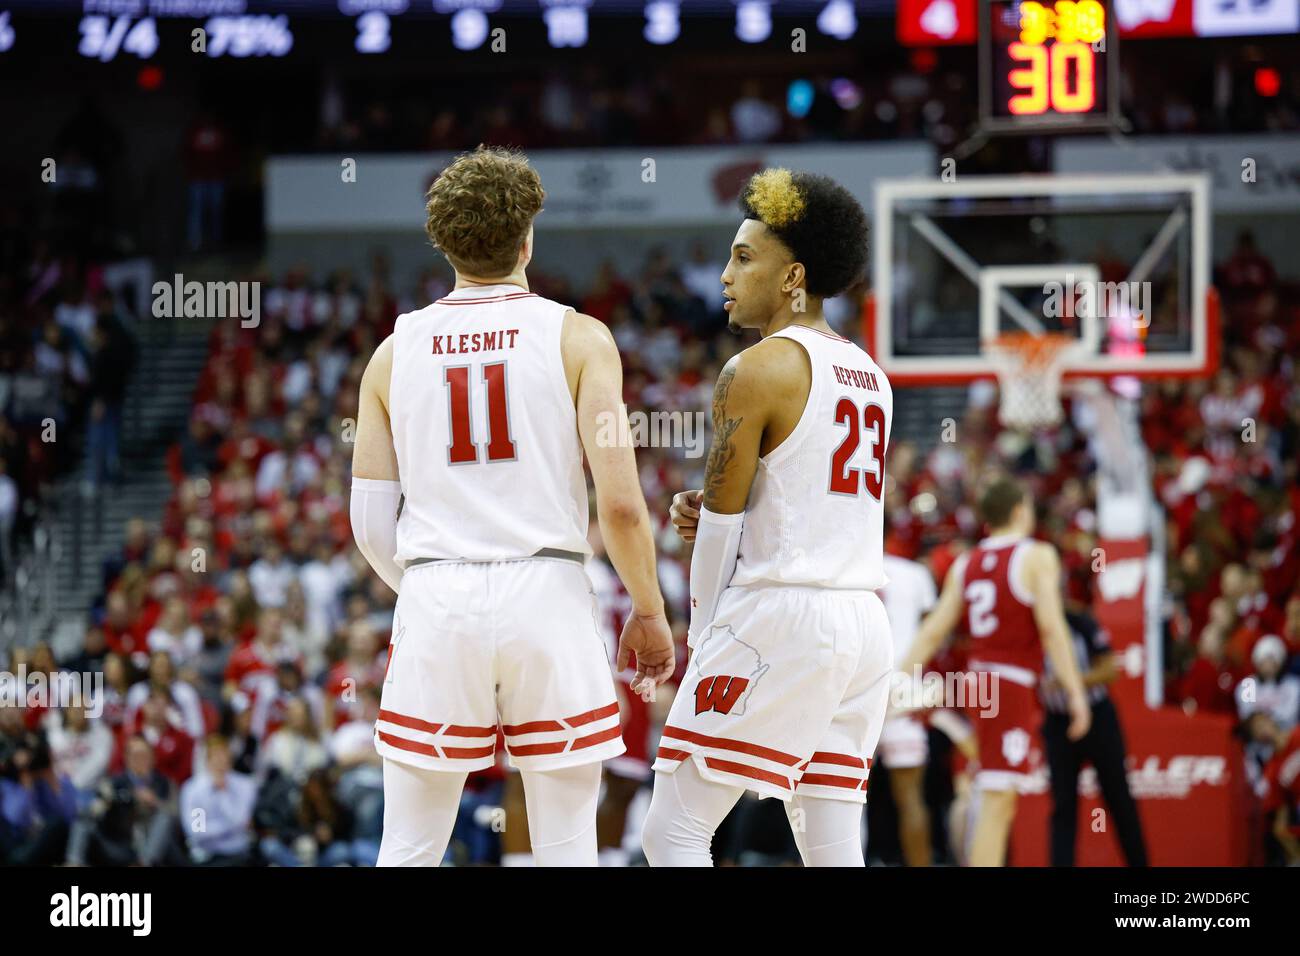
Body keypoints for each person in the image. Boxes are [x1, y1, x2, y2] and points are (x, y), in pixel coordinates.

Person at [349, 146, 674, 867]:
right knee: (565, 846)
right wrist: (648, 611)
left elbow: (371, 526)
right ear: (527, 238)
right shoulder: (582, 338)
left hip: (436, 590)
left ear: (443, 243)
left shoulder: (391, 353)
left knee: (406, 847)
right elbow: (619, 506)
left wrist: (438, 588)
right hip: (548, 591)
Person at [646, 168, 891, 867]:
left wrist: (701, 634)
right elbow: (811, 501)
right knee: (833, 850)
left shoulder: (754, 368)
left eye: (743, 256)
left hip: (779, 618)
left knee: (674, 833)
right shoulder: (870, 372)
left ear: (794, 278)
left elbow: (720, 536)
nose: (725, 274)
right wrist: (738, 516)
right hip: (862, 623)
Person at [898, 478, 1091, 866]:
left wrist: (897, 677)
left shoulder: (966, 562)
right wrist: (1077, 695)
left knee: (993, 796)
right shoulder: (1037, 556)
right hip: (1008, 684)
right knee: (999, 802)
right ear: (1020, 510)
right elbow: (1053, 629)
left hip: (976, 683)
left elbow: (935, 629)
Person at [1040, 608, 1148, 867]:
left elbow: (1110, 669)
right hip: (1057, 721)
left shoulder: (1080, 622)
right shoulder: (1030, 630)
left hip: (1097, 716)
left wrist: (1072, 681)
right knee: (1062, 807)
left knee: (1118, 798)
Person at [877, 551, 939, 866]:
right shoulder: (915, 572)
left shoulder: (843, 561)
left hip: (854, 690)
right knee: (910, 799)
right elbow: (933, 633)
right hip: (904, 691)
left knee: (843, 798)